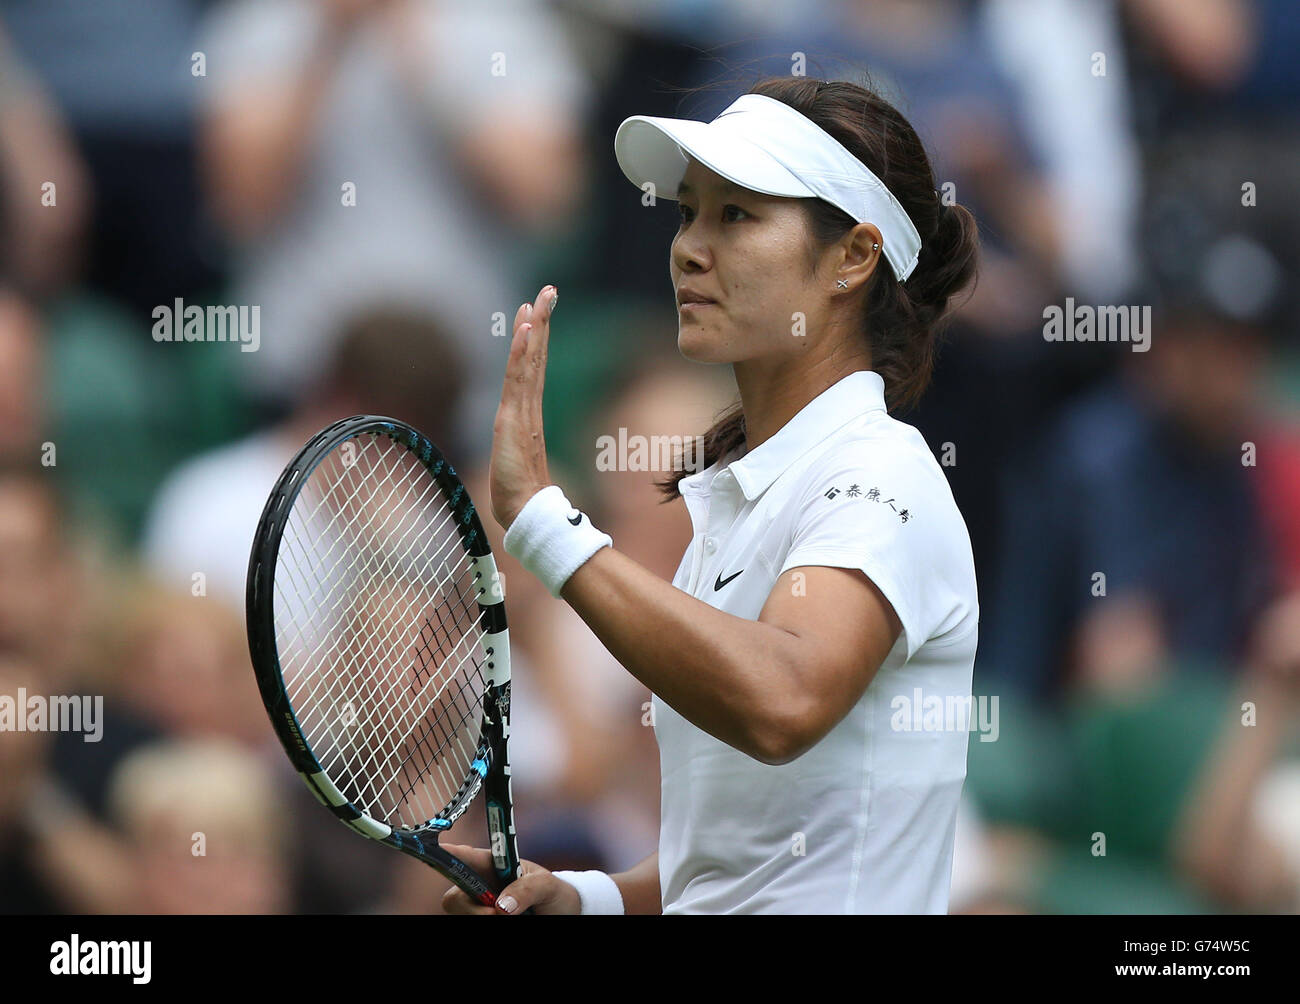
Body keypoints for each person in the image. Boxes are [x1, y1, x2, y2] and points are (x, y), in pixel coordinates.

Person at [446, 75, 980, 915]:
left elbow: (784, 699)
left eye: (737, 215)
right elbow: (749, 854)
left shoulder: (881, 474)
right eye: (689, 212)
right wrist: (596, 900)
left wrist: (545, 525)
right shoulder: (735, 513)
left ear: (853, 257)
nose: (690, 246)